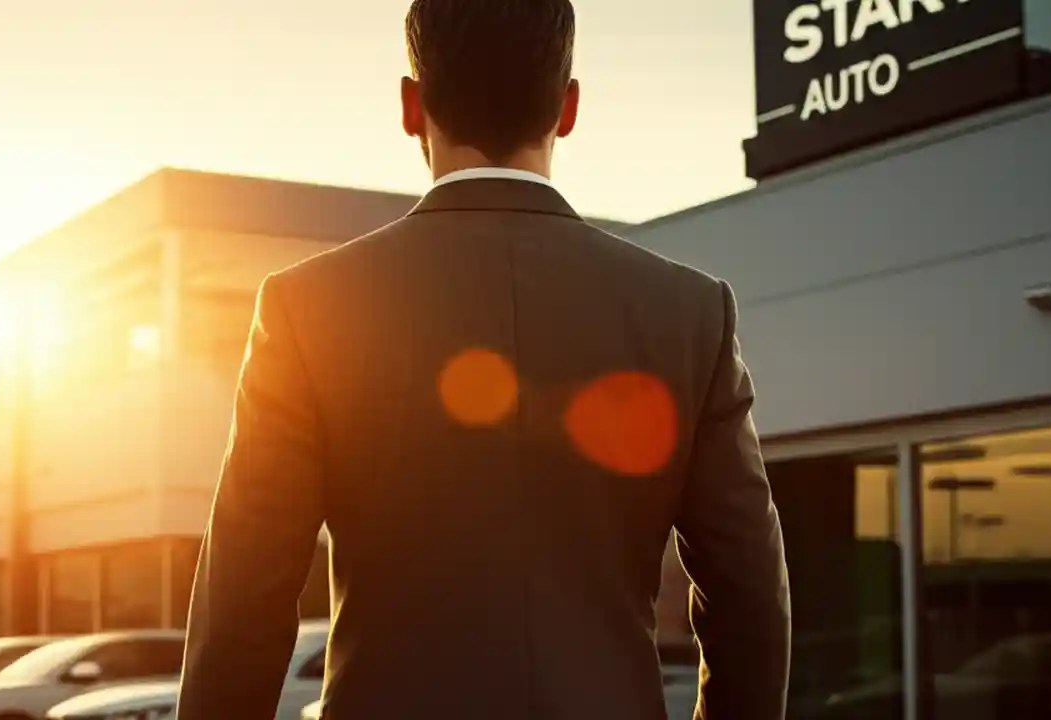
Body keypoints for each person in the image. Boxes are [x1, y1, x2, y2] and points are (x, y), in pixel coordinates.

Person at [176, 0, 791, 718]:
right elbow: (750, 602)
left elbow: (241, 615)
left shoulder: (306, 310)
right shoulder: (689, 314)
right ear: (568, 108)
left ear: (411, 105)